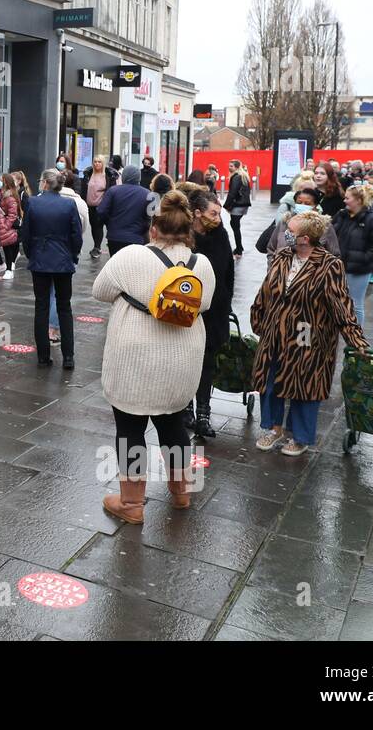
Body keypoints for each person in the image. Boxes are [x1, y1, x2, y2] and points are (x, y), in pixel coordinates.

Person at [94, 192, 216, 523]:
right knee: (174, 424)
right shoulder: (200, 264)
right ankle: (181, 494)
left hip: (134, 358)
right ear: (189, 229)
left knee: (130, 427)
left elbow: (100, 291)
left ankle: (131, 505)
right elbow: (204, 304)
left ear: (153, 228)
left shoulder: (131, 256)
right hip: (182, 359)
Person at [251, 210, 369, 456]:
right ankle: (274, 429)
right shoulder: (283, 256)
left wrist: (356, 340)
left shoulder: (329, 265)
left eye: (291, 232)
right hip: (275, 332)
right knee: (270, 381)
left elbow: (342, 305)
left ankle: (300, 436)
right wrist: (258, 317)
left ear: (306, 238)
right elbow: (266, 289)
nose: (286, 234)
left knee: (304, 387)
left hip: (309, 337)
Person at [183, 185, 233, 439]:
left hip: (214, 310)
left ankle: (203, 412)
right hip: (187, 309)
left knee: (207, 363)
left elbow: (228, 273)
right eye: (214, 213)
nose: (218, 218)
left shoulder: (221, 235)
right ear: (197, 213)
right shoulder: (184, 237)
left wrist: (226, 302)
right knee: (188, 361)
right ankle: (186, 408)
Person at [22, 169, 83, 369]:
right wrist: (73, 255)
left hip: (40, 259)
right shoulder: (68, 204)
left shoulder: (33, 203)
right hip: (63, 261)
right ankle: (69, 357)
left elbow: (26, 234)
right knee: (64, 307)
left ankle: (43, 355)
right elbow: (76, 235)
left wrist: (32, 254)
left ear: (46, 183)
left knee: (41, 307)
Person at [332, 184, 373, 325]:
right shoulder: (341, 215)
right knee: (335, 302)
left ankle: (357, 341)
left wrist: (363, 258)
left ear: (359, 200)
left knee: (355, 304)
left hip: (358, 270)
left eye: (347, 198)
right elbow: (330, 235)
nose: (344, 201)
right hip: (337, 266)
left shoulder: (372, 220)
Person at [49, 171, 91, 344]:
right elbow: (82, 229)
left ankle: (47, 328)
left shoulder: (44, 199)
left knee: (48, 293)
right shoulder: (79, 203)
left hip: (45, 252)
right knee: (60, 294)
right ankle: (52, 329)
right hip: (66, 253)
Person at [267, 187, 343, 257]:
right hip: (284, 270)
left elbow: (334, 254)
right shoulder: (284, 222)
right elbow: (271, 248)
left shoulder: (325, 226)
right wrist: (274, 267)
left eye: (307, 203)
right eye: (299, 203)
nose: (302, 205)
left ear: (315, 206)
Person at [95, 165, 152, 256]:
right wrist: (142, 229)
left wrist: (109, 224)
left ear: (124, 176)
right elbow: (150, 218)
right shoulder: (147, 194)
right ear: (139, 177)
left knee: (116, 266)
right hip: (136, 238)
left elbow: (101, 211)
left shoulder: (113, 191)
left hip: (115, 237)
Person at [78, 155, 118, 259]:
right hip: (90, 205)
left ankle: (97, 247)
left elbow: (112, 190)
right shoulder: (88, 174)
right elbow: (83, 188)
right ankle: (96, 246)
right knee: (94, 227)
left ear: (103, 163)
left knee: (100, 226)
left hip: (103, 206)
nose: (97, 164)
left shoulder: (108, 175)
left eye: (99, 162)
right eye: (95, 161)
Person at [224, 159, 252, 257]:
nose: (229, 167)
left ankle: (239, 249)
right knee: (235, 224)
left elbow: (232, 193)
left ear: (236, 167)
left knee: (235, 226)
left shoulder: (236, 177)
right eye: (229, 165)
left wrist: (226, 205)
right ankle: (239, 247)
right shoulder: (244, 176)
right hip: (243, 205)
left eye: (231, 166)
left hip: (238, 205)